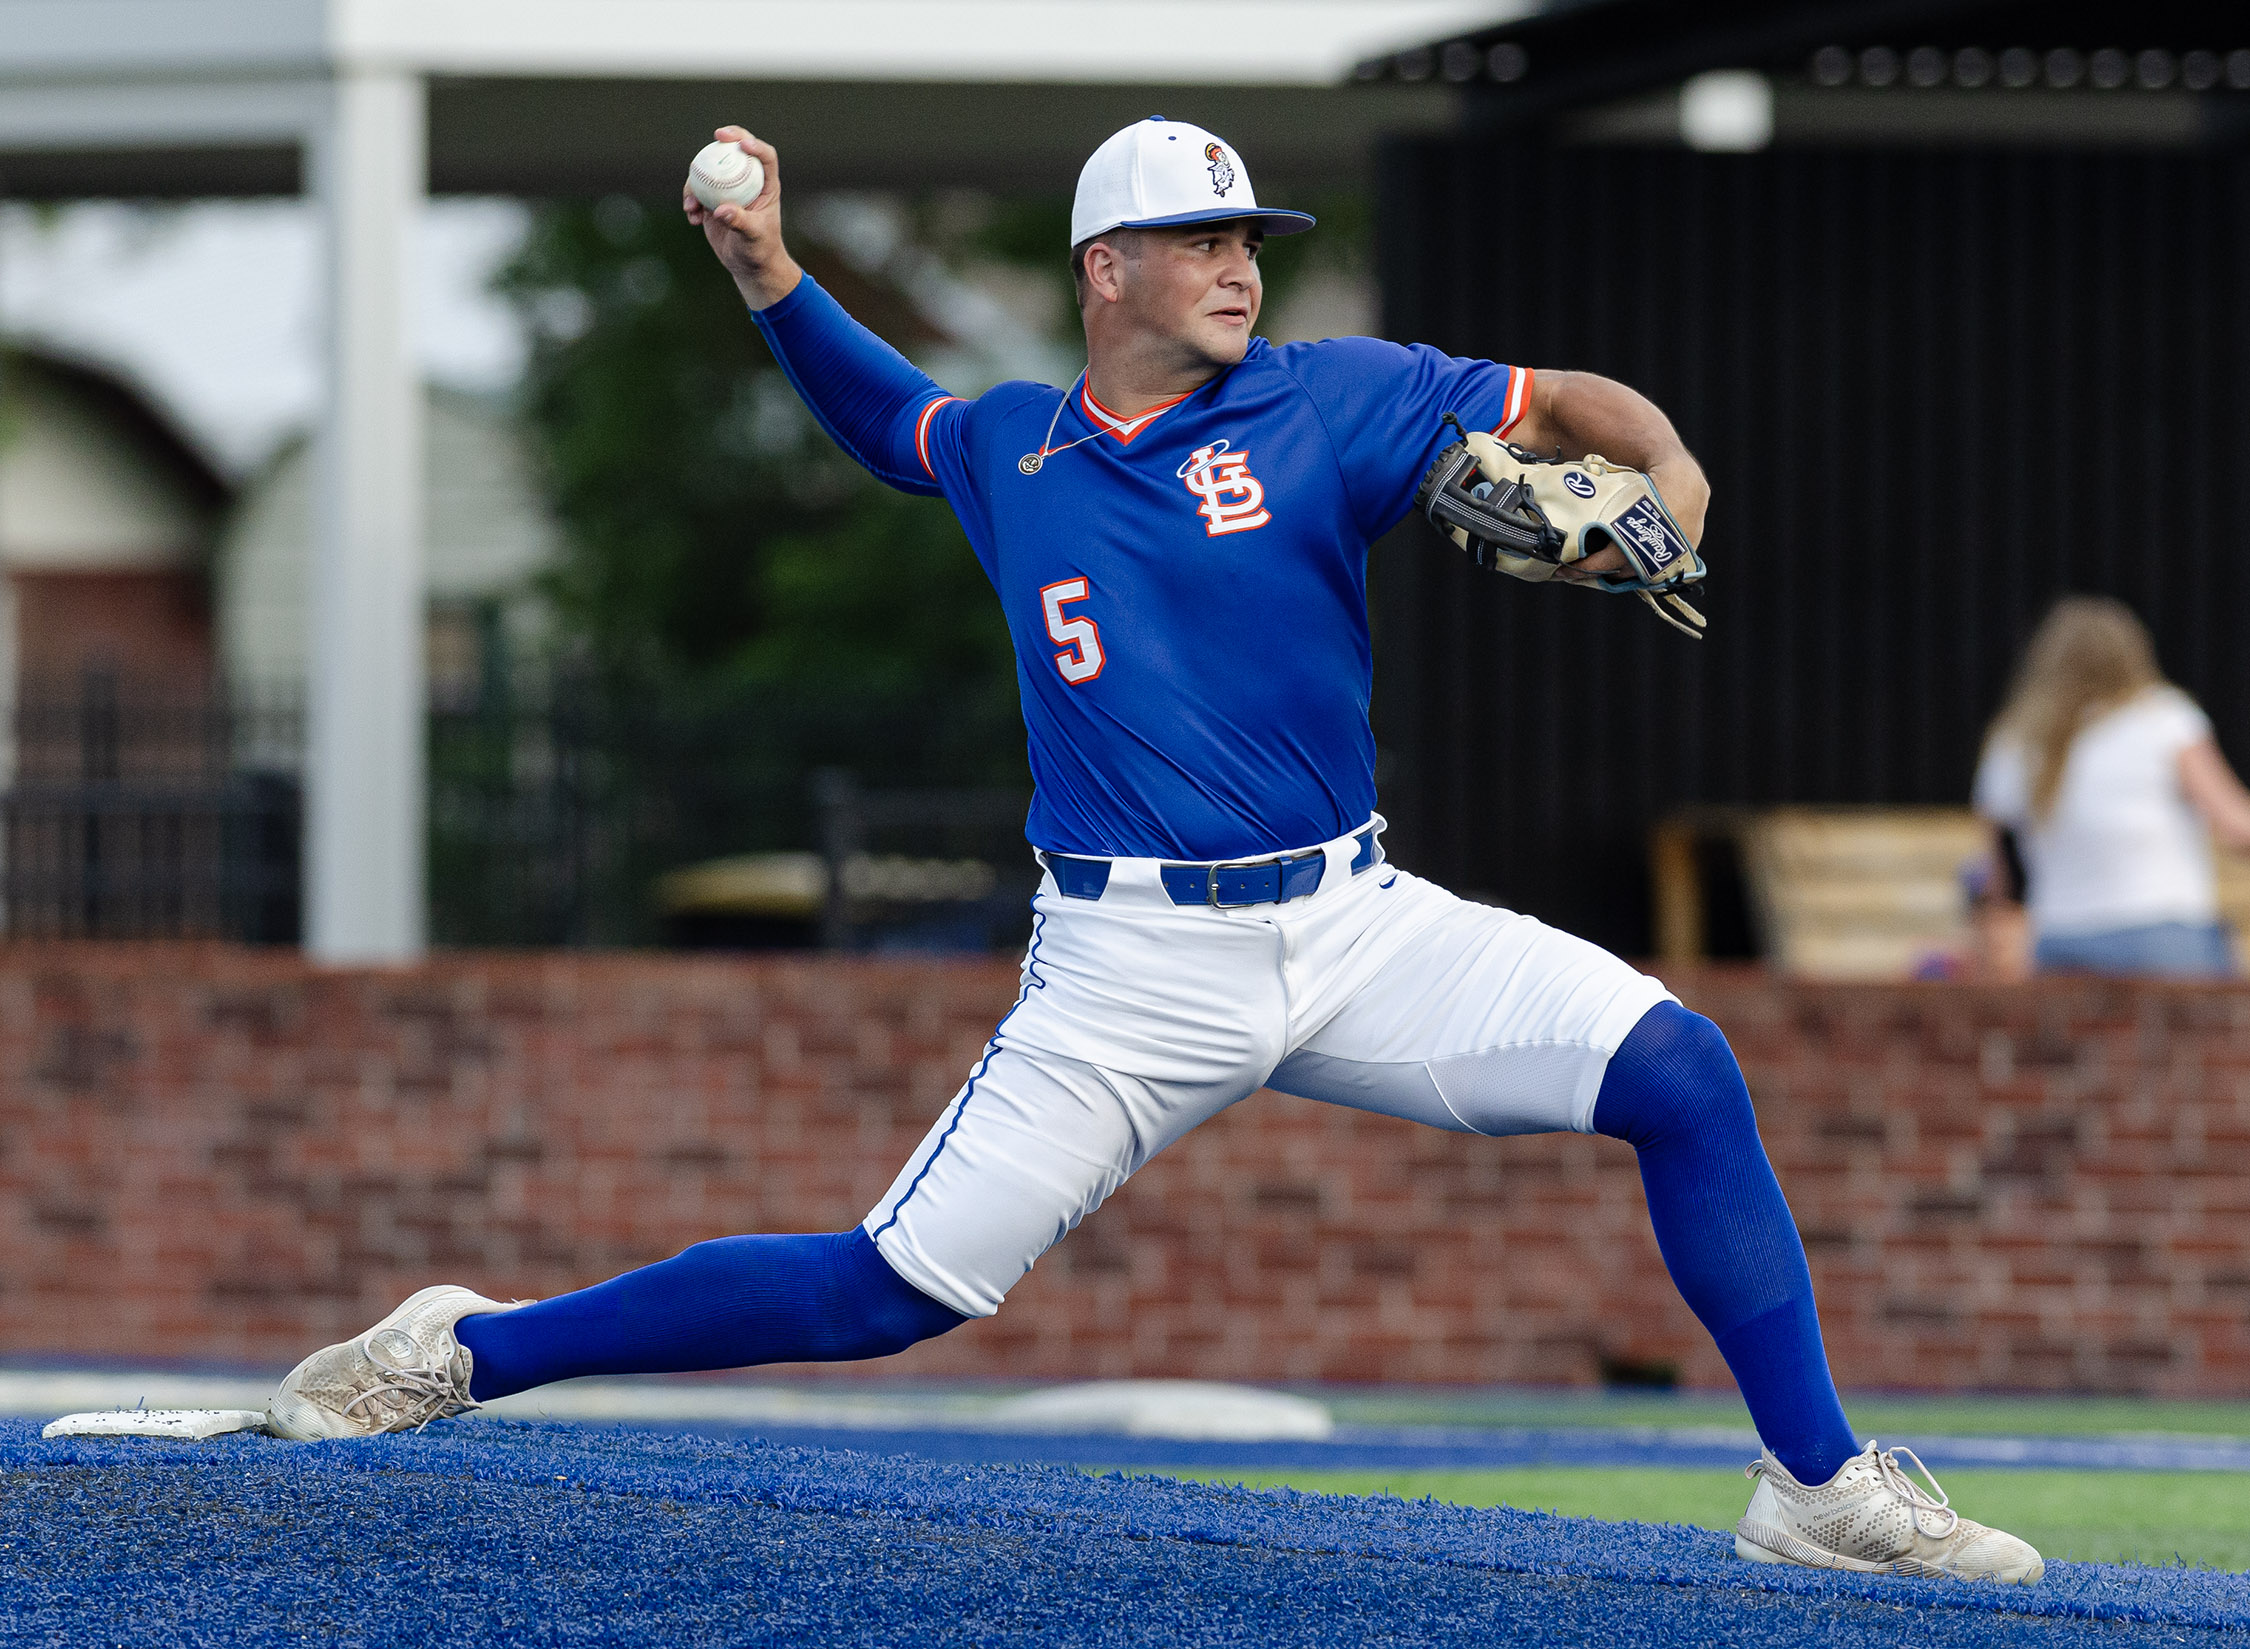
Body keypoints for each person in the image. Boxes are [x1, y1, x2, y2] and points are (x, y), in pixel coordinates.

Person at [266, 119, 2041, 1584]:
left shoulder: (1333, 398)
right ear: (1106, 268)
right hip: (1130, 968)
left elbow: (1573, 401)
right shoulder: (1011, 448)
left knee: (1682, 1067)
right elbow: (879, 407)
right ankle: (467, 1344)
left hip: (1354, 918)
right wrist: (766, 273)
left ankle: (1816, 1485)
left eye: (1250, 235)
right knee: (885, 1290)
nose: (1240, 264)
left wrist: (1675, 479)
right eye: (1200, 239)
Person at [1976, 595, 2250, 978]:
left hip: (2059, 941)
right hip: (2164, 932)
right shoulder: (2164, 719)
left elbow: (1999, 878)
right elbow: (2237, 826)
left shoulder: (2013, 741)